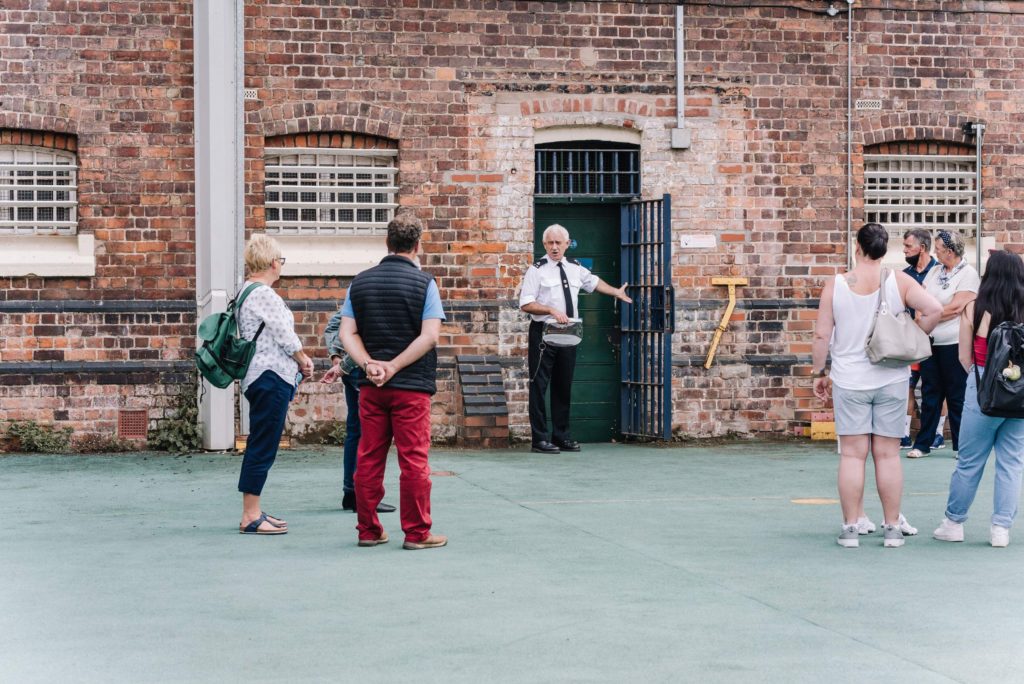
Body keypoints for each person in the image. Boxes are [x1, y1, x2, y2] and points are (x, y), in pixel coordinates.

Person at [812, 223, 941, 548]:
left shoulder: (837, 284)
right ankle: (892, 529)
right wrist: (915, 333)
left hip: (850, 379)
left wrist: (819, 373)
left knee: (853, 456)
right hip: (892, 378)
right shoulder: (899, 280)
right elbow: (935, 309)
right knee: (887, 456)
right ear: (886, 250)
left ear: (858, 246)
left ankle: (851, 529)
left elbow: (821, 335)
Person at [339, 213, 448, 550]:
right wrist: (395, 366)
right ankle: (417, 534)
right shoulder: (425, 283)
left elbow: (347, 333)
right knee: (413, 460)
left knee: (368, 456)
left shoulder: (359, 282)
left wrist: (370, 365)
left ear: (387, 243)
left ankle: (368, 531)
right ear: (417, 245)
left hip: (372, 388)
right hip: (412, 388)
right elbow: (430, 337)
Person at [934, 250, 1024, 547]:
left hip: (983, 386)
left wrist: (982, 377)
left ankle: (954, 523)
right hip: (1019, 393)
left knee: (970, 461)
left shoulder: (975, 307)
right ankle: (1001, 529)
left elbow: (963, 357)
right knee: (1011, 463)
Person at [518, 224, 633, 454]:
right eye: (550, 243)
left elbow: (594, 282)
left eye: (558, 243)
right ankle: (539, 439)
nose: (554, 247)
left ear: (567, 244)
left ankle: (561, 436)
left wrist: (616, 292)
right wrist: (550, 310)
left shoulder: (574, 268)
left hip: (569, 334)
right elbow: (525, 303)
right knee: (539, 386)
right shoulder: (536, 270)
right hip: (544, 334)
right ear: (544, 245)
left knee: (563, 386)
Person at [236, 234, 314, 535]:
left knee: (261, 440)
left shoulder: (245, 291)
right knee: (263, 443)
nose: (281, 265)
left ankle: (253, 509)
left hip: (258, 376)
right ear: (272, 262)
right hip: (270, 377)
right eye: (280, 260)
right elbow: (284, 334)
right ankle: (250, 515)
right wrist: (303, 359)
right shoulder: (264, 294)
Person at [907, 230, 980, 458]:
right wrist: (924, 315)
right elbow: (921, 297)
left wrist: (931, 313)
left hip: (955, 343)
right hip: (931, 341)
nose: (935, 252)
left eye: (938, 248)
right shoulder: (936, 271)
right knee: (930, 394)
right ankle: (923, 444)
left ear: (949, 251)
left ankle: (960, 445)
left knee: (956, 395)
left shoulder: (968, 274)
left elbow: (957, 307)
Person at [322, 310, 396, 514]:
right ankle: (362, 495)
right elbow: (359, 337)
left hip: (352, 371)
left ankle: (351, 493)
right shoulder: (374, 289)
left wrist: (336, 357)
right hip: (363, 370)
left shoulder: (358, 287)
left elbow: (334, 324)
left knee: (355, 432)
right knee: (369, 434)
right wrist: (341, 365)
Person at [900, 229, 940, 450]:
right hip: (909, 340)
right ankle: (904, 434)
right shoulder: (904, 275)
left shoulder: (939, 272)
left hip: (934, 339)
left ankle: (936, 433)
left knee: (934, 388)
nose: (904, 250)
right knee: (908, 385)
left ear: (921, 248)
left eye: (908, 246)